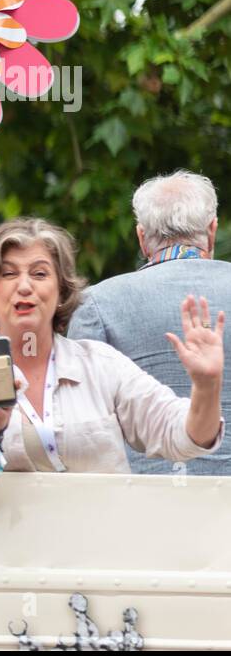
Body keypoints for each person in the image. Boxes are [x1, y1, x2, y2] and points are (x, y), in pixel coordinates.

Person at [0, 217, 224, 497]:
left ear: (61, 291)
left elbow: (184, 437)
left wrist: (207, 387)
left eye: (40, 273)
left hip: (104, 551)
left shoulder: (101, 364)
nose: (24, 285)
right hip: (3, 554)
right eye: (8, 273)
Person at [69, 170, 231, 475]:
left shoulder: (96, 304)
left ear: (142, 237)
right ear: (212, 231)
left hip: (142, 503)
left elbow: (83, 418)